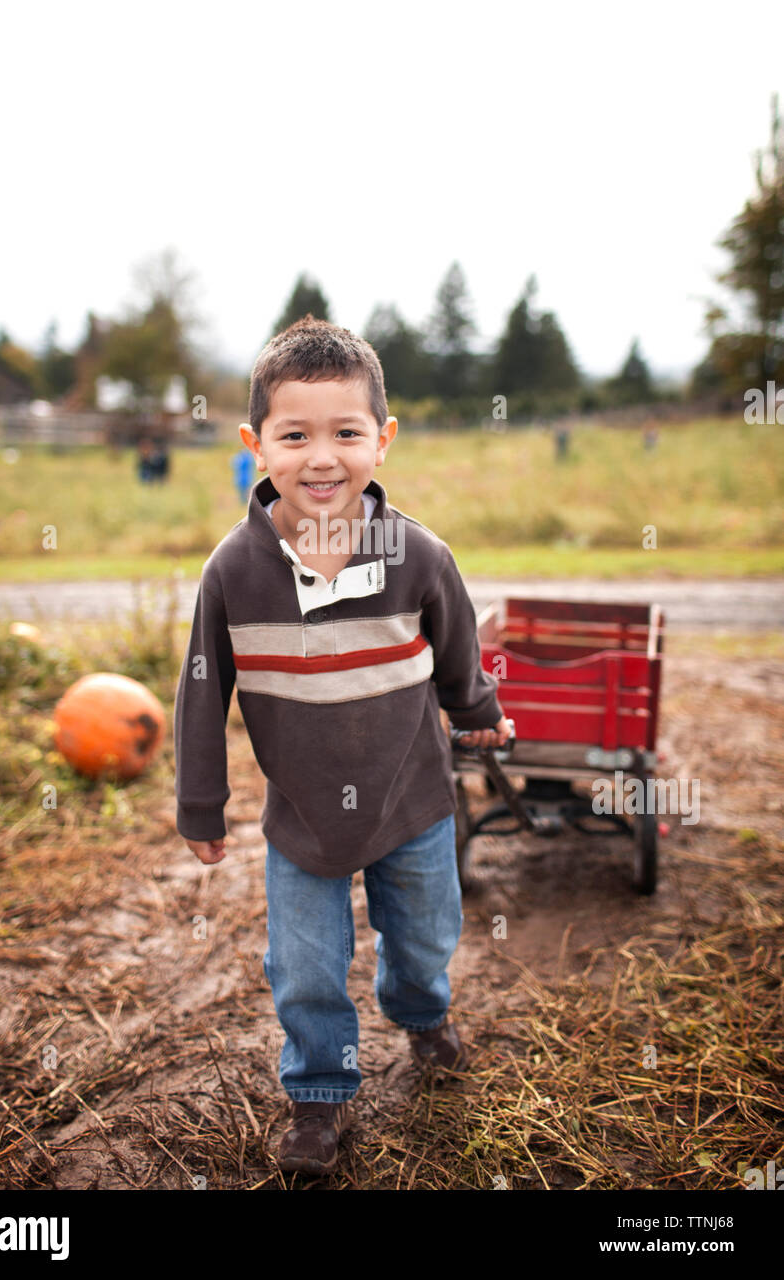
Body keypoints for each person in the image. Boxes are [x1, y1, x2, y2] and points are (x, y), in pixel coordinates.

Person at [172, 315, 511, 1177]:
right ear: (257, 445)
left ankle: (420, 1009)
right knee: (307, 969)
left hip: (414, 802)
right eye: (295, 435)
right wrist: (200, 804)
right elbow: (203, 692)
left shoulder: (417, 556)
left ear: (383, 441)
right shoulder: (234, 572)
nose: (321, 458)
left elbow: (458, 650)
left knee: (426, 937)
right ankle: (319, 1096)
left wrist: (476, 711)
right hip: (303, 821)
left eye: (346, 433)